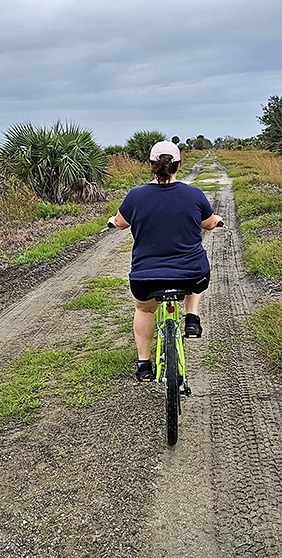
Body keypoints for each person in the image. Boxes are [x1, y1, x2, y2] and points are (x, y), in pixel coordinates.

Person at [108, 140, 222, 382]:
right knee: (195, 271)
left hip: (145, 278)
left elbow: (119, 223)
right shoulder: (194, 194)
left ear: (151, 165)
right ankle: (191, 317)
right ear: (178, 166)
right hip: (192, 274)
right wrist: (218, 219)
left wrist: (111, 220)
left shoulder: (135, 196)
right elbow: (209, 223)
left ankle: (144, 365)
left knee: (144, 308)